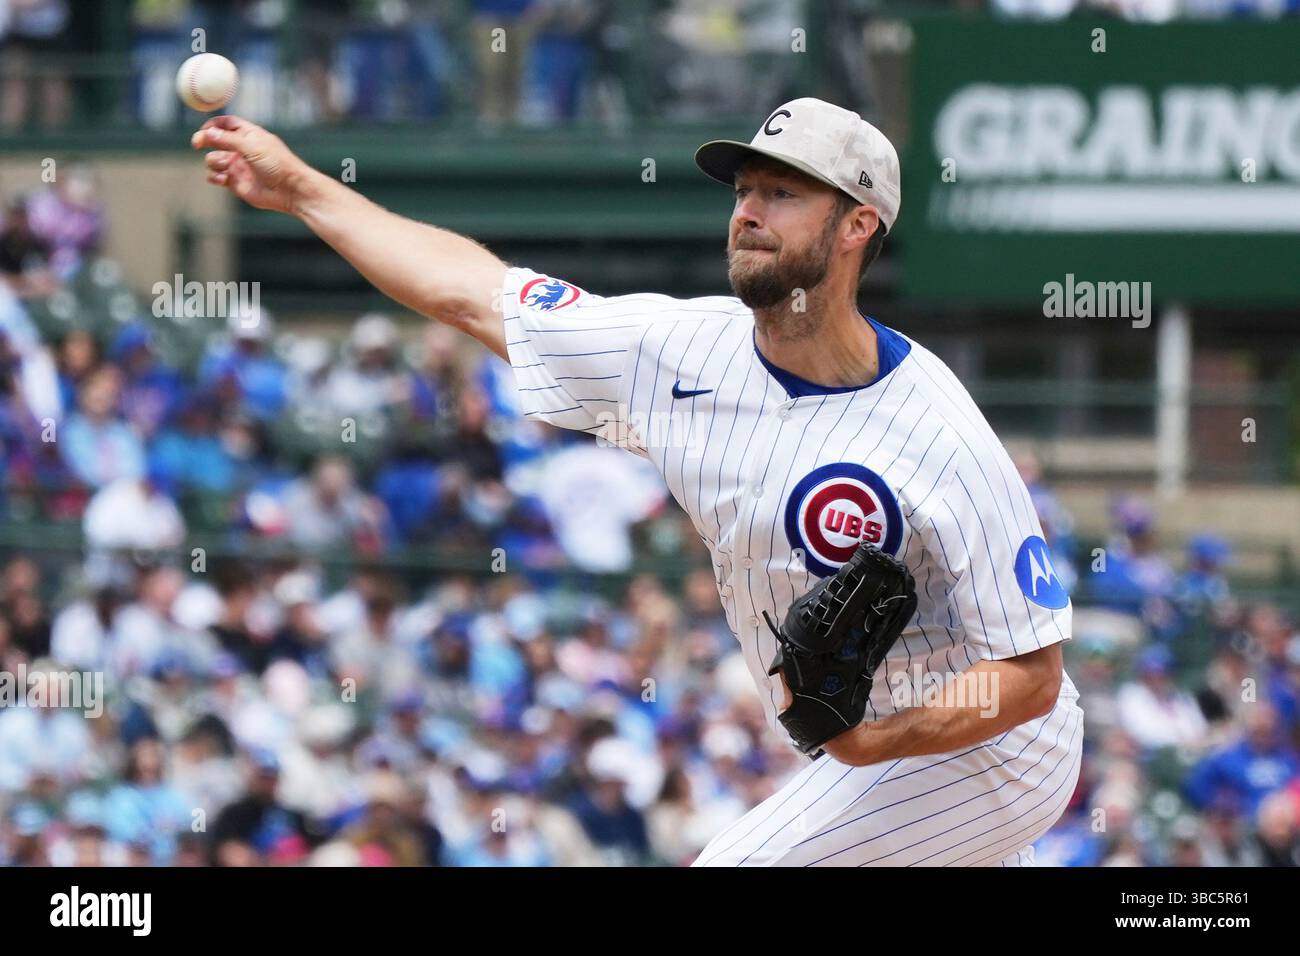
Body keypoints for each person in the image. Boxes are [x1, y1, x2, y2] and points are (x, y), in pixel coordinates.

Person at [191, 95, 1083, 867]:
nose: (748, 212)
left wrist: (868, 743)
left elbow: (1034, 676)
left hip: (996, 754)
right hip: (877, 756)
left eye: (783, 191)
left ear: (858, 226)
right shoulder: (673, 353)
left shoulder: (937, 430)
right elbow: (473, 292)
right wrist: (301, 188)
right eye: (742, 190)